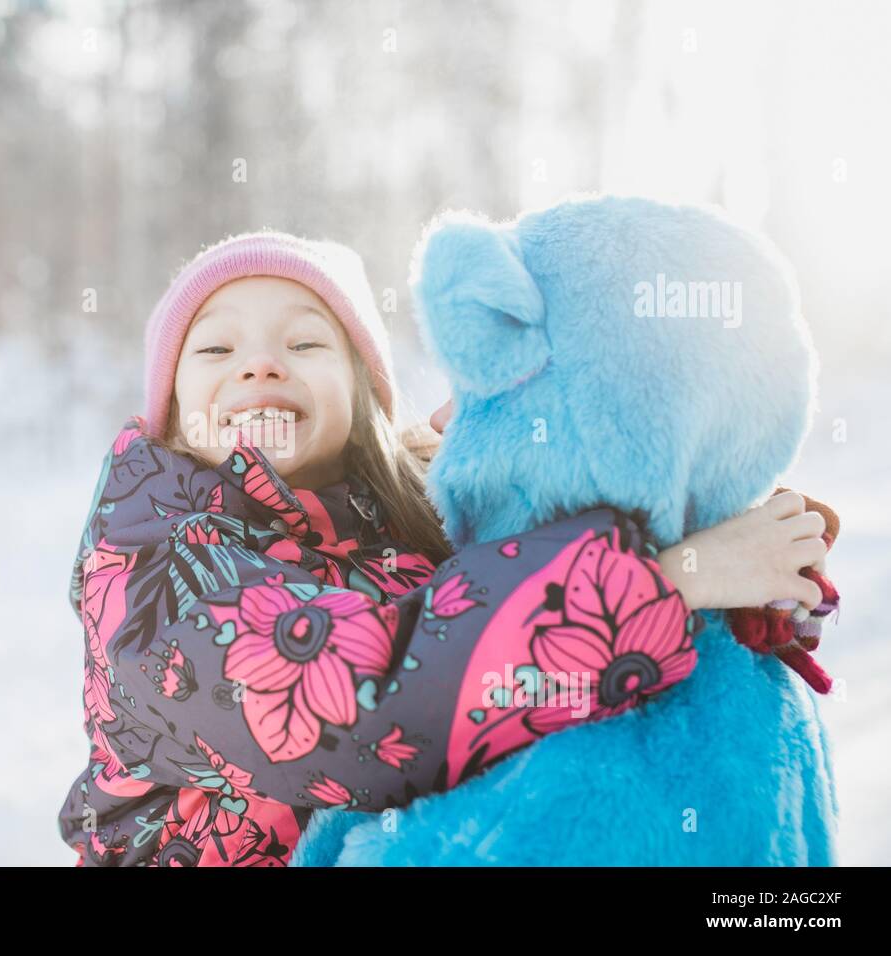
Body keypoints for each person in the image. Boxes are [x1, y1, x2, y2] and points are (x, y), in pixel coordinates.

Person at [56, 230, 832, 867]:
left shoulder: (403, 511)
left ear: (365, 392)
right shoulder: (154, 566)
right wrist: (674, 579)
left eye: (304, 341)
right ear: (171, 412)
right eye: (216, 352)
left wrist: (731, 557)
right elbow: (361, 707)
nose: (261, 364)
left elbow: (517, 587)